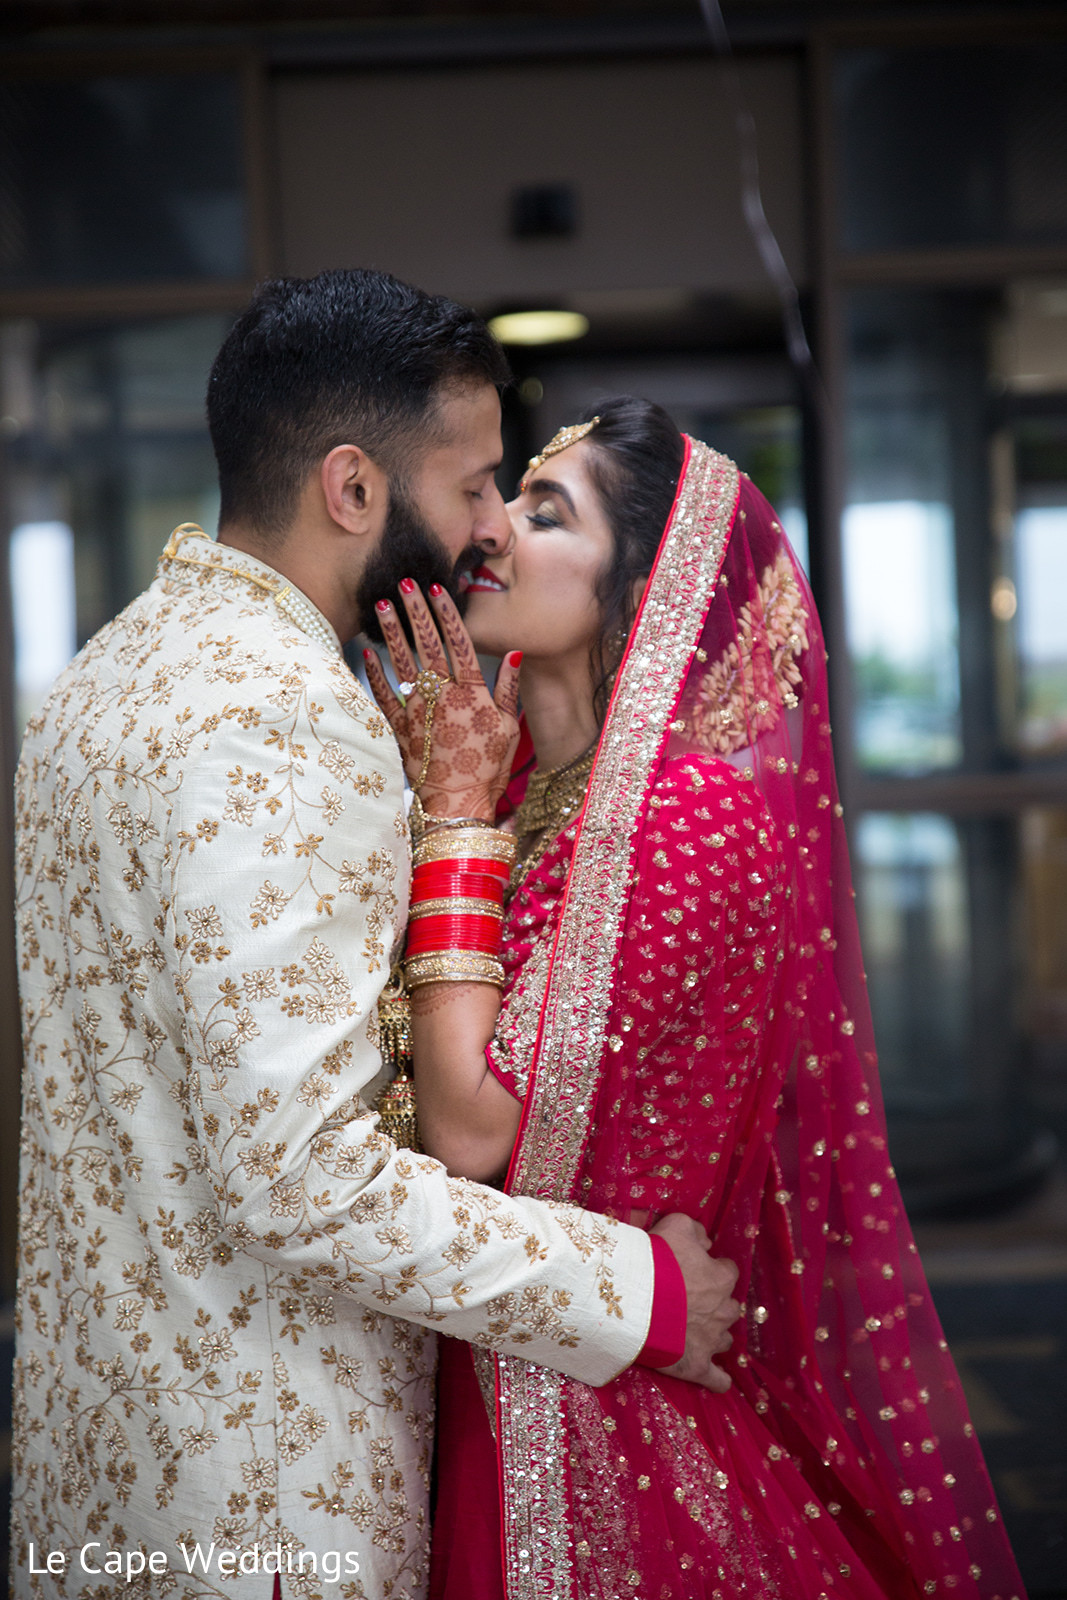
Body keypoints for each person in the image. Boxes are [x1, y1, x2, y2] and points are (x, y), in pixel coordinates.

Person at [9, 277, 741, 1600]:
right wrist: (635, 1291)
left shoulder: (104, 674)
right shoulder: (286, 717)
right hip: (266, 1496)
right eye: (470, 486)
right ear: (351, 488)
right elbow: (302, 1175)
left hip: (103, 1465)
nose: (486, 526)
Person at [368, 398, 1028, 1599]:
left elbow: (468, 1125)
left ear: (646, 587)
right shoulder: (508, 787)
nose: (490, 527)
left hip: (597, 1416)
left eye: (545, 512)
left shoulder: (687, 819)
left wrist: (452, 821)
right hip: (492, 1348)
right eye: (507, 497)